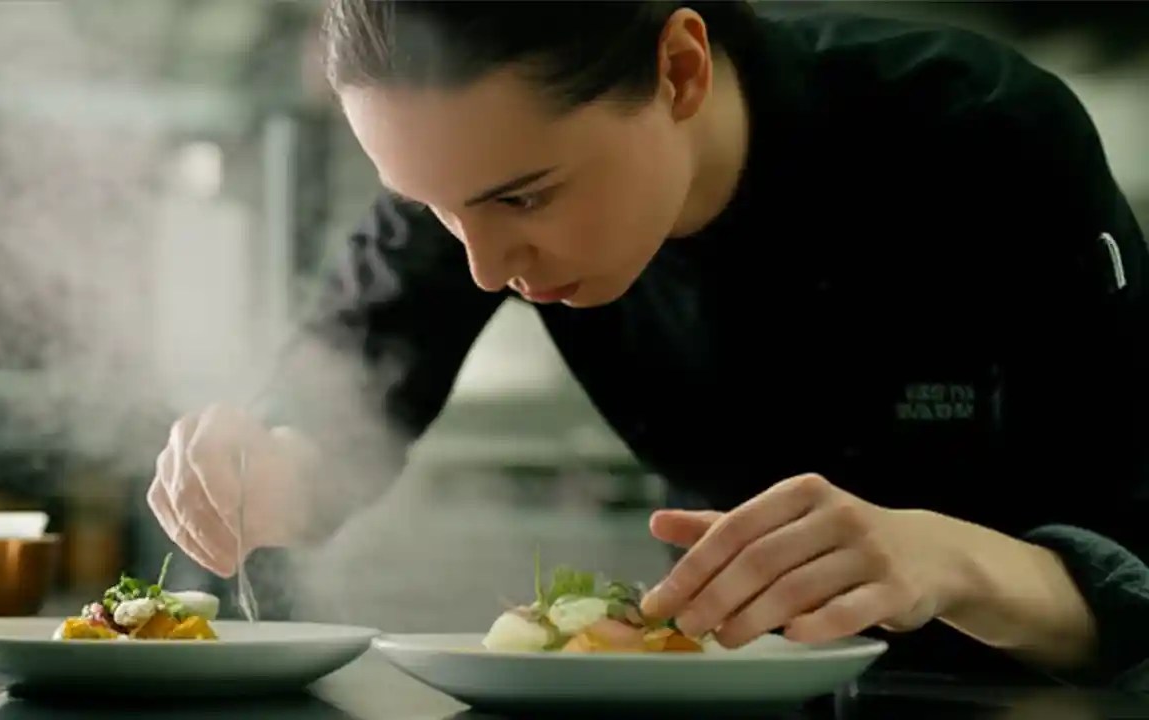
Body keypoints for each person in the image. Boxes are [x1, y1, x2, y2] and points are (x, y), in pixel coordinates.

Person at [146, 0, 1149, 688]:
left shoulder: (980, 135)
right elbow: (340, 403)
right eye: (432, 210)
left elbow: (1135, 583)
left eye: (524, 198)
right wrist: (269, 468)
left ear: (678, 70)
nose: (485, 268)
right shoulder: (472, 184)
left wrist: (948, 559)